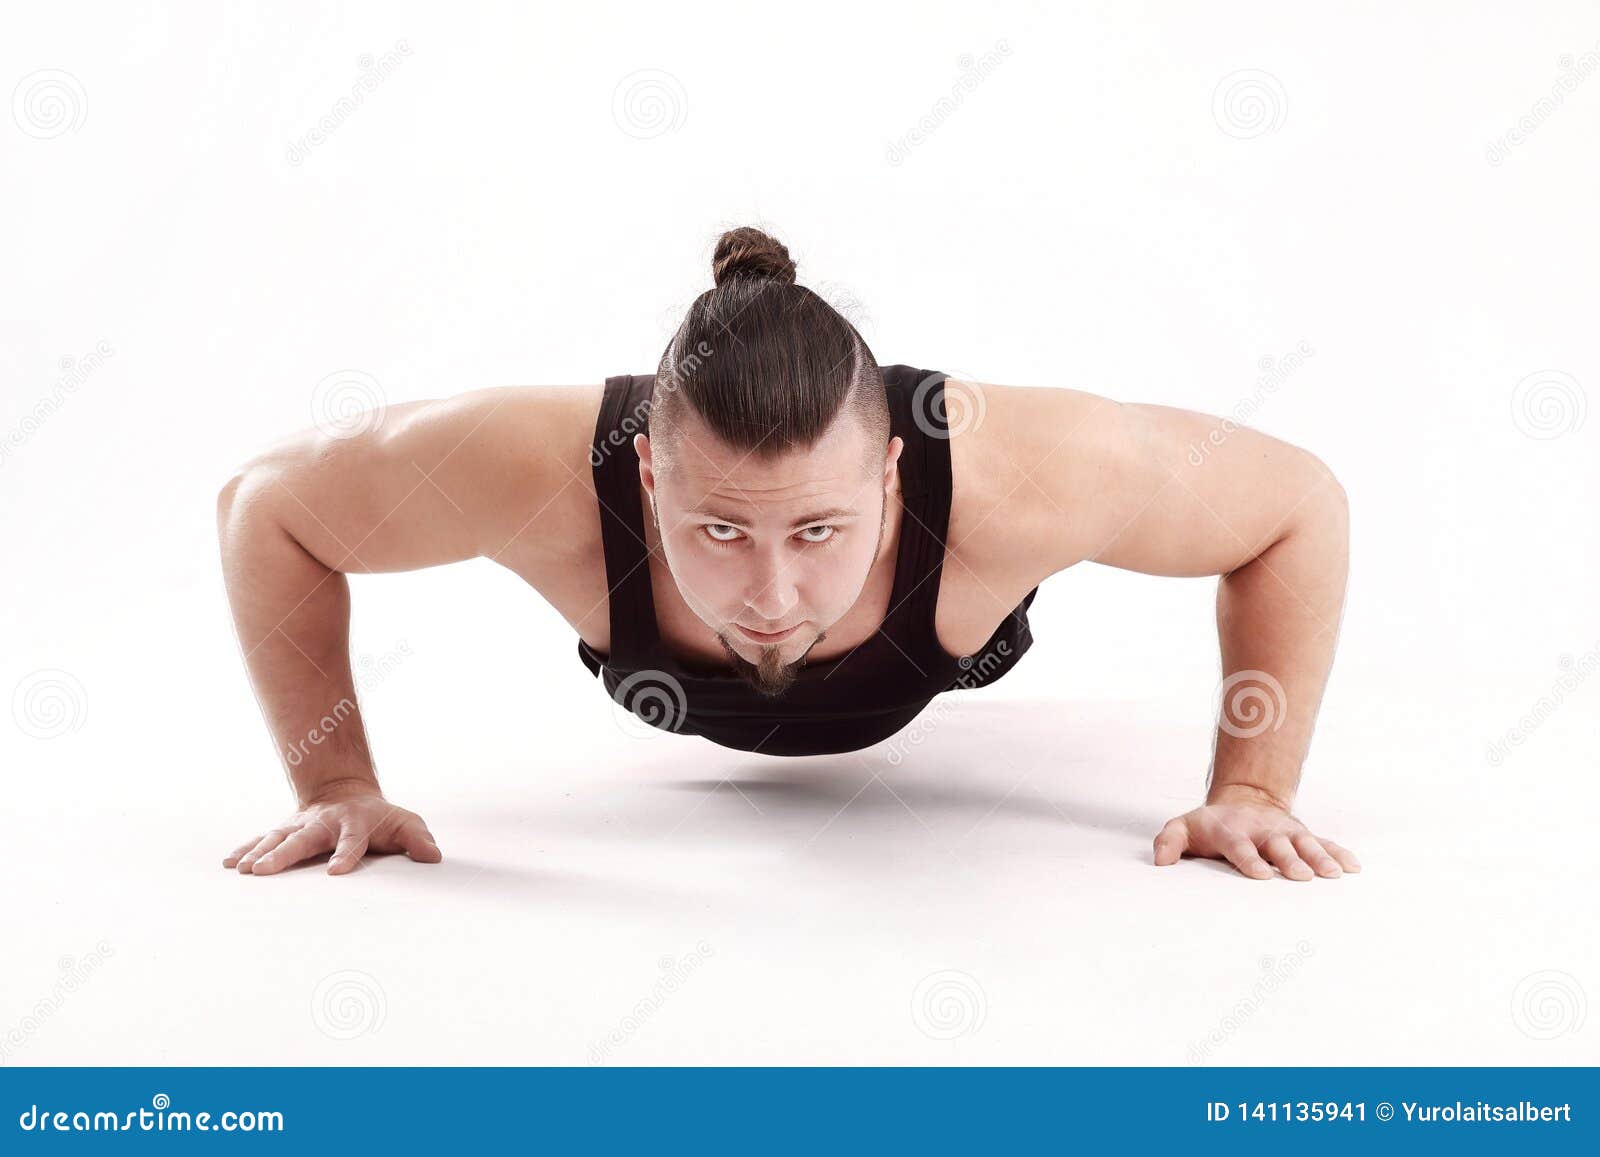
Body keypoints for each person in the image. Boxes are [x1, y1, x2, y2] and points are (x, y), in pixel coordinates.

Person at [216, 226, 1361, 884]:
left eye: (818, 531)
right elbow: (268, 507)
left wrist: (1251, 787)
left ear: (891, 479)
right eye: (720, 529)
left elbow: (1294, 506)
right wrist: (337, 785)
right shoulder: (534, 472)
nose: (769, 595)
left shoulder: (1028, 478)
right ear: (649, 480)